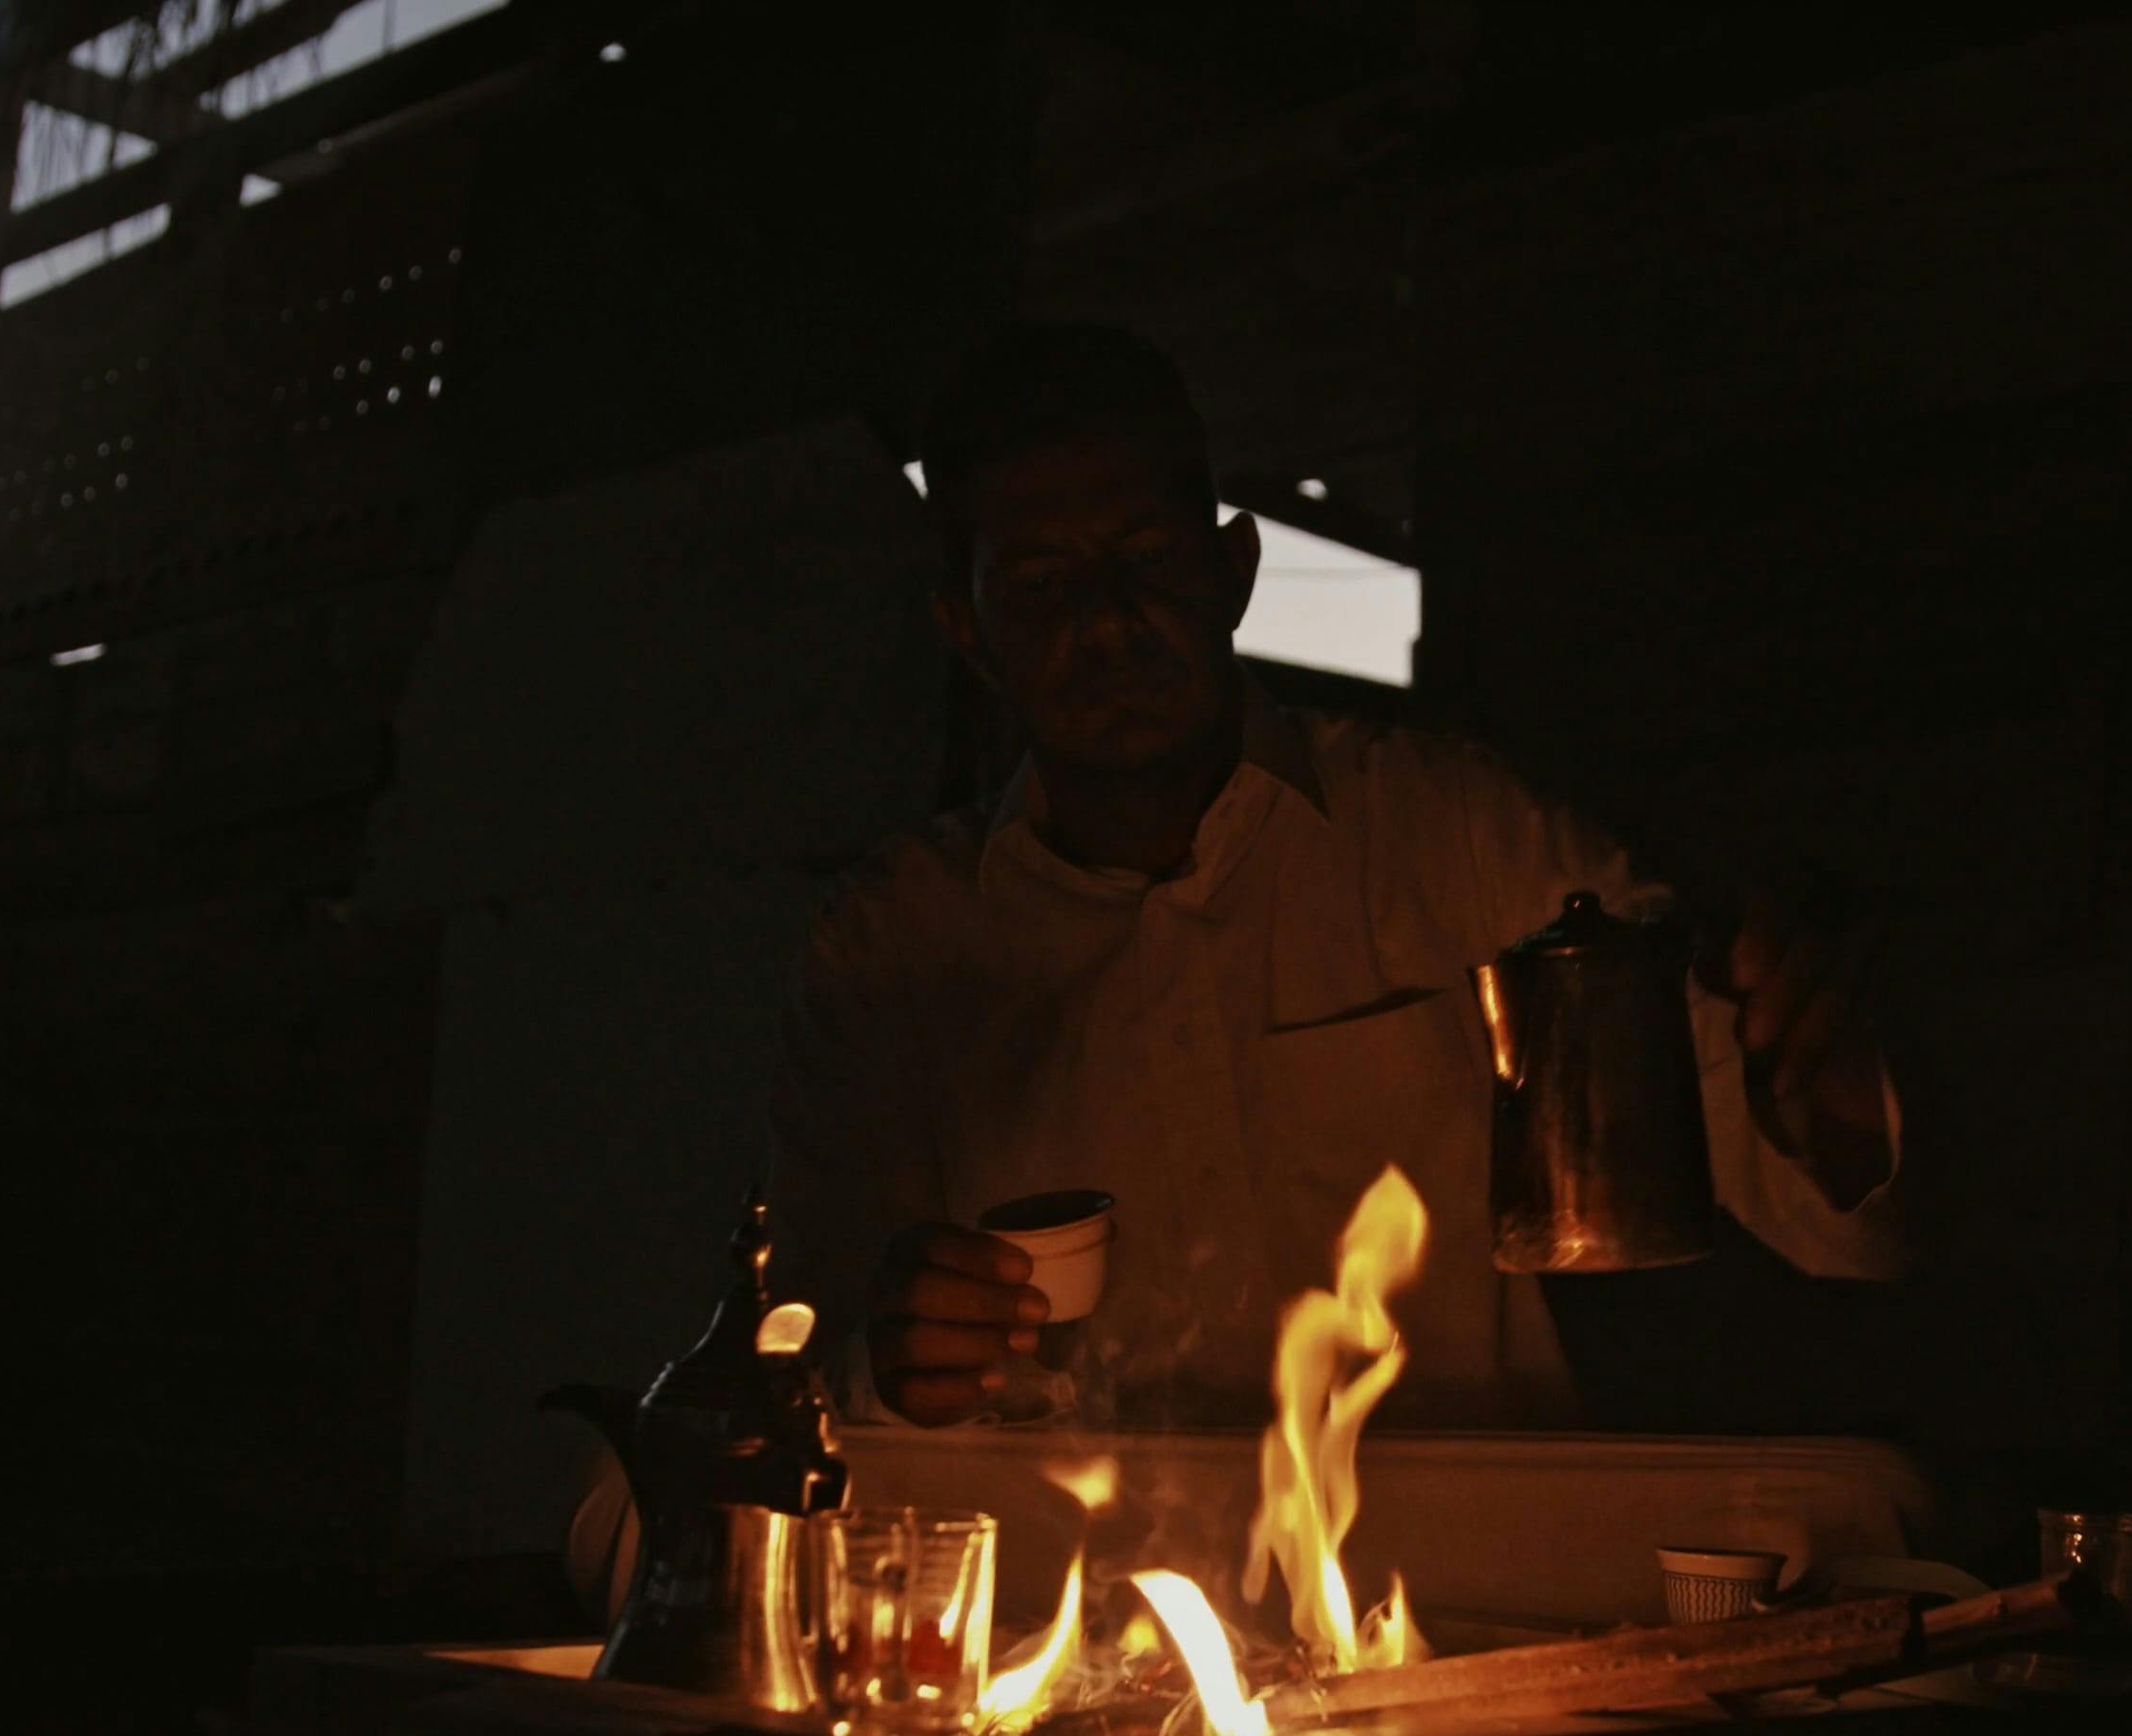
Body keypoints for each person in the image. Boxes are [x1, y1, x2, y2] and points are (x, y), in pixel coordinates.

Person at [770, 324, 1910, 1430]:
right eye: (1038, 586)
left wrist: (1825, 1097)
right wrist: (893, 1358)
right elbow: (806, 1349)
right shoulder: (898, 946)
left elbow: (1810, 1182)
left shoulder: (1458, 837)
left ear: (1234, 570)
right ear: (965, 631)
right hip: (1087, 1604)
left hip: (1478, 1594)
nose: (1106, 623)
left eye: (1149, 561)